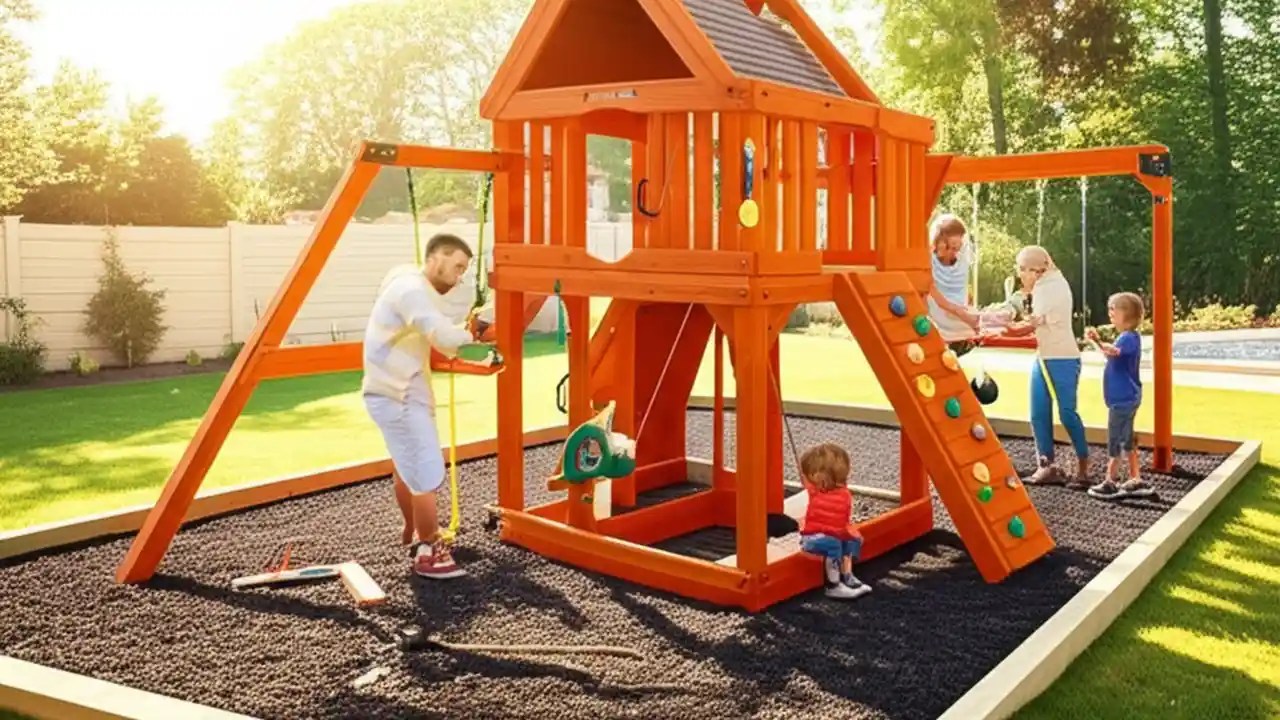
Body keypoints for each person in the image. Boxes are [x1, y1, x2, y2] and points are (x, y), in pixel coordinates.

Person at [362, 233, 479, 580]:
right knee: (426, 468)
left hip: (391, 390)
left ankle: (414, 532)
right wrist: (480, 334)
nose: (459, 277)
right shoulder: (411, 291)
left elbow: (434, 327)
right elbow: (442, 336)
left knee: (407, 467)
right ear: (435, 258)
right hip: (396, 395)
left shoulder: (407, 286)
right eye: (457, 266)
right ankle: (428, 550)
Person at [1003, 246, 1091, 489]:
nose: (1021, 275)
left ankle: (1084, 466)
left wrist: (1004, 327)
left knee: (1067, 413)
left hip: (1062, 358)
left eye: (1024, 270)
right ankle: (1046, 465)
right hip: (1044, 356)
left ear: (1038, 270)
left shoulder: (1051, 287)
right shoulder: (1045, 284)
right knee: (1038, 411)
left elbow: (1031, 324)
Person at [1084, 292, 1154, 500]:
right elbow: (1111, 352)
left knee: (1115, 439)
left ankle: (1110, 481)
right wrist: (1096, 343)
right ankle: (1135, 478)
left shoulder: (1129, 338)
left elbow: (1113, 352)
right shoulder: (1127, 337)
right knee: (1127, 439)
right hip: (1125, 398)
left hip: (1123, 399)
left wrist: (1097, 340)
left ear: (1126, 314)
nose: (1110, 314)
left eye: (1113, 309)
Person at [797, 443, 872, 600]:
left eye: (815, 472)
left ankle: (848, 576)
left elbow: (841, 522)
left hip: (831, 534)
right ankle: (833, 585)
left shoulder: (843, 493)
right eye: (811, 474)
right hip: (812, 538)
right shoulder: (815, 491)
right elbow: (806, 481)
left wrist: (850, 535)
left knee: (851, 542)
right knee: (834, 543)